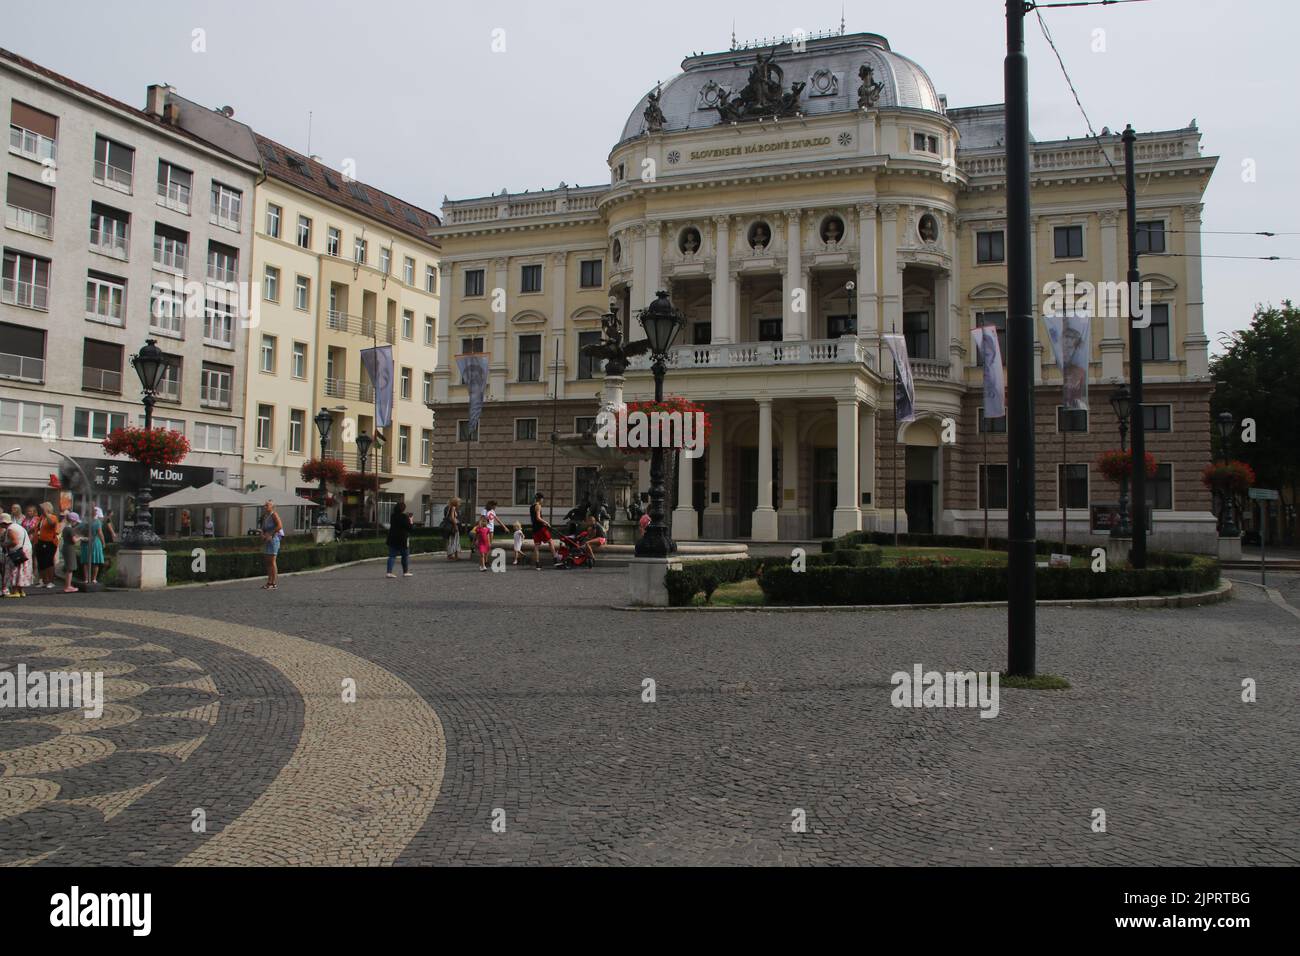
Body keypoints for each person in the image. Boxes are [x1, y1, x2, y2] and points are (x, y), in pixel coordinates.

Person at [1, 513, 33, 598]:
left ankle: (15, 591)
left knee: (15, 571)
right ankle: (21, 591)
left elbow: (14, 541)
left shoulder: (11, 529)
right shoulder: (17, 526)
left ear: (4, 522)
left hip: (18, 552)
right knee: (22, 571)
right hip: (25, 551)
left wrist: (4, 544)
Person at [530, 492, 559, 570]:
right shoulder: (538, 506)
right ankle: (555, 560)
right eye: (542, 499)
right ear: (540, 499)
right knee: (550, 541)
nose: (543, 500)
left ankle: (537, 564)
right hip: (541, 528)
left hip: (534, 529)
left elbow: (534, 519)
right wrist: (546, 522)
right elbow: (538, 518)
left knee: (536, 546)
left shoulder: (531, 506)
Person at [34, 502, 59, 589]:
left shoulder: (53, 517)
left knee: (48, 562)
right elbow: (36, 529)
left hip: (50, 542)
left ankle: (51, 581)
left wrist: (46, 514)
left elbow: (52, 523)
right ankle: (43, 581)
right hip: (39, 541)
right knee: (41, 562)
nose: (41, 510)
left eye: (42, 508)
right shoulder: (41, 518)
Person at [78, 507, 107, 585]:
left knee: (86, 562)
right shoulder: (97, 522)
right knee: (95, 561)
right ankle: (94, 579)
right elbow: (100, 533)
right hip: (95, 542)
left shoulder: (84, 521)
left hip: (85, 541)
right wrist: (103, 543)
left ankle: (86, 579)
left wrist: (80, 537)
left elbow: (78, 530)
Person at [260, 500, 283, 590]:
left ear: (272, 507)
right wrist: (262, 534)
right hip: (267, 540)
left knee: (272, 562)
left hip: (273, 540)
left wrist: (270, 534)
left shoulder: (274, 515)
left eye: (267, 505)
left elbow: (279, 526)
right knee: (268, 562)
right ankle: (269, 581)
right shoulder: (265, 516)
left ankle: (273, 583)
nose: (265, 507)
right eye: (264, 505)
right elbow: (263, 528)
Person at [386, 509, 414, 578]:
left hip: (392, 538)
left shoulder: (393, 516)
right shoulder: (404, 517)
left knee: (392, 556)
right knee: (405, 556)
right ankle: (405, 572)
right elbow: (409, 528)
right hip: (403, 539)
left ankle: (389, 572)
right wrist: (410, 520)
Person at [60, 511, 82, 593]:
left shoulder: (65, 528)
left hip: (65, 547)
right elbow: (74, 540)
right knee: (70, 568)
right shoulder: (70, 529)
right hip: (70, 548)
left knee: (68, 568)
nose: (76, 523)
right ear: (72, 521)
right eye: (75, 521)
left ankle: (67, 585)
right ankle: (68, 586)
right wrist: (80, 538)